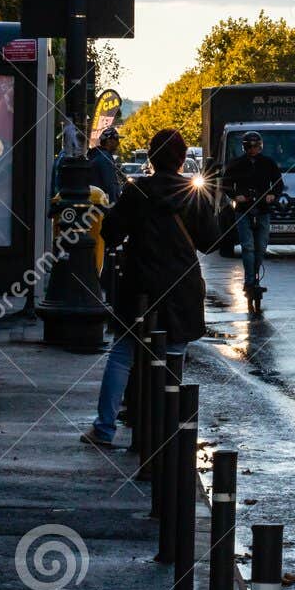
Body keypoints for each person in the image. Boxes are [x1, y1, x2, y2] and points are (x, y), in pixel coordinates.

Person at [82, 128, 216, 448]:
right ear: (183, 160)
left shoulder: (137, 192)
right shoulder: (193, 193)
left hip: (140, 285)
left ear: (151, 158)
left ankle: (104, 428)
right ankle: (163, 430)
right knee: (173, 355)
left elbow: (111, 234)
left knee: (123, 353)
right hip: (182, 286)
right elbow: (211, 242)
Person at [221, 130, 285, 300]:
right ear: (244, 147)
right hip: (243, 210)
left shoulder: (268, 163)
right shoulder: (236, 164)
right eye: (249, 146)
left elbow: (279, 183)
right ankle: (249, 281)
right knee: (247, 246)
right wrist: (236, 196)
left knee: (261, 246)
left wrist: (273, 195)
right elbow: (225, 185)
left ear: (260, 146)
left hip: (263, 209)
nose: (253, 149)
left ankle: (255, 274)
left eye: (256, 146)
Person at [89, 126, 124, 203]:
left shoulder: (96, 155)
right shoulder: (105, 158)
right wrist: (114, 205)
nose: (118, 143)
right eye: (116, 139)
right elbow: (110, 185)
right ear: (108, 141)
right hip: (104, 203)